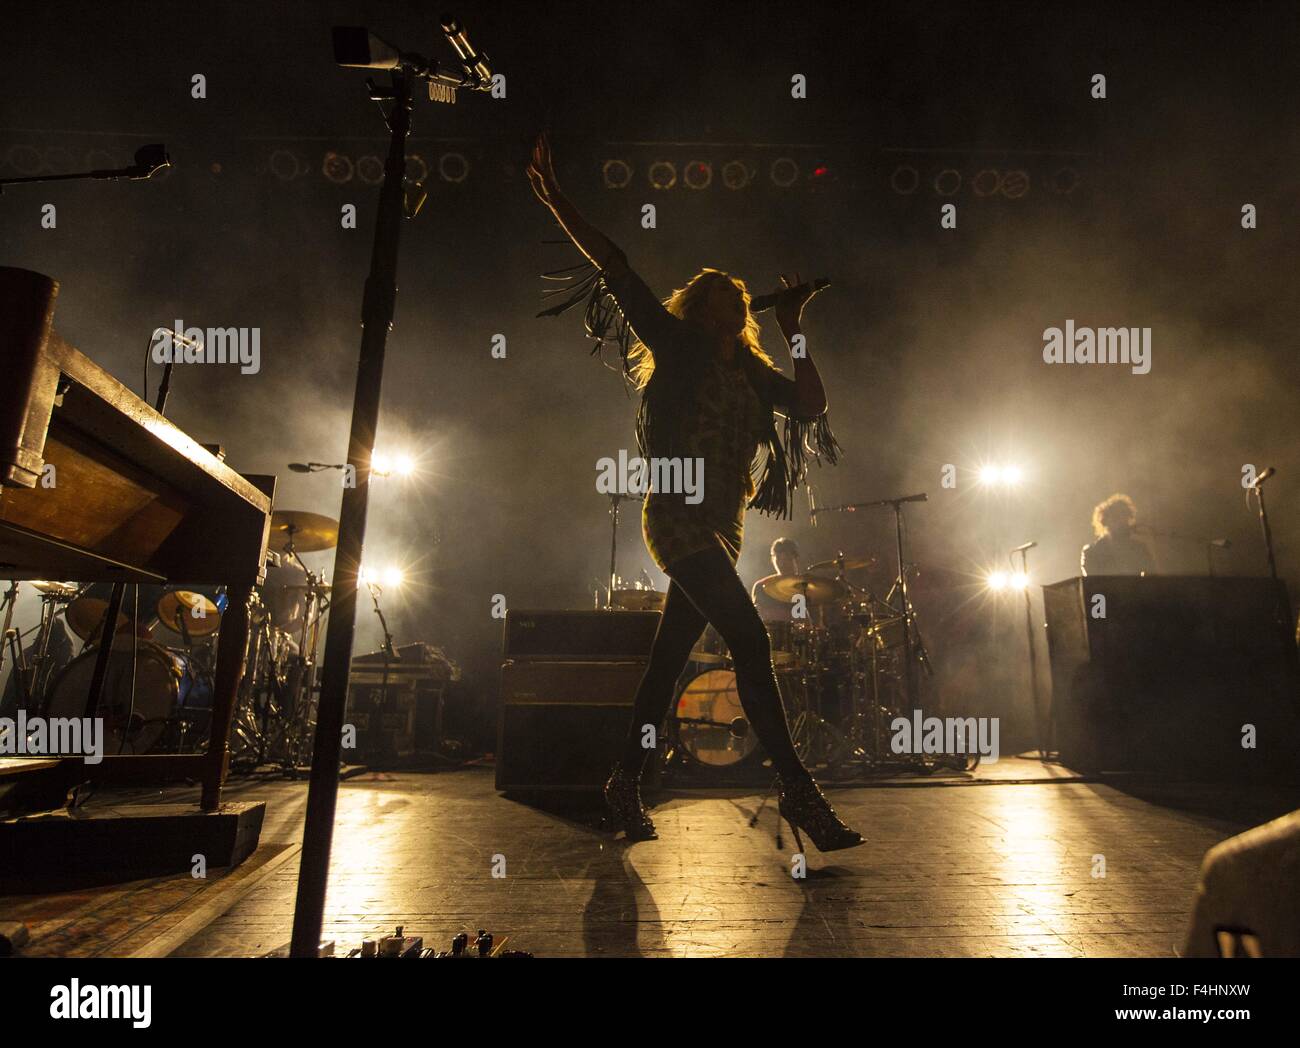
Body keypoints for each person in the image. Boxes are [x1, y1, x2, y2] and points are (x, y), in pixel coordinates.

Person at [527, 132, 862, 852]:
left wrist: (795, 329)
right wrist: (561, 205)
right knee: (747, 639)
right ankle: (799, 793)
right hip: (675, 517)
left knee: (666, 665)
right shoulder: (676, 349)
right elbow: (616, 268)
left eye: (737, 302)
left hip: (723, 528)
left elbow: (810, 407)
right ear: (694, 312)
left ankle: (622, 781)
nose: (731, 310)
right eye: (717, 301)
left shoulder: (752, 372)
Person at [1080, 493, 1155, 576]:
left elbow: (1152, 579)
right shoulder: (1092, 552)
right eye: (1116, 518)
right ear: (1105, 522)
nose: (1121, 523)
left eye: (1124, 518)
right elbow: (1092, 583)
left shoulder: (1139, 549)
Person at [751, 537, 803, 622]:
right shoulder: (761, 586)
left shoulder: (806, 587)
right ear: (772, 560)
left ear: (796, 560)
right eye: (779, 559)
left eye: (787, 559)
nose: (782, 564)